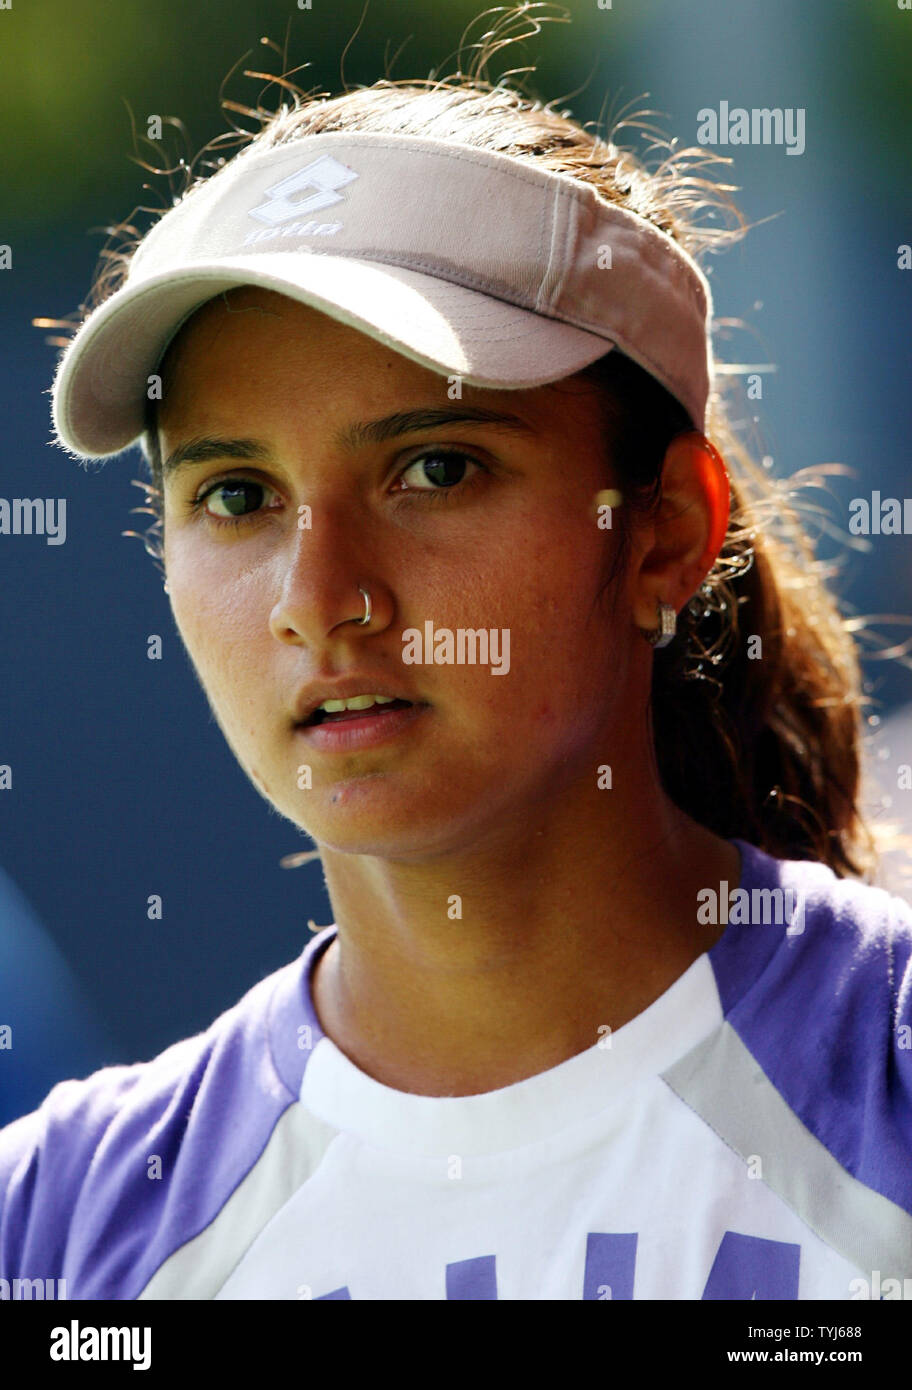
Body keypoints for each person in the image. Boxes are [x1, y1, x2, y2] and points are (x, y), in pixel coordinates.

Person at [2, 10, 911, 1301]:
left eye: (435, 467)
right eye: (237, 495)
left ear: (666, 531)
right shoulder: (53, 1228)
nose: (322, 598)